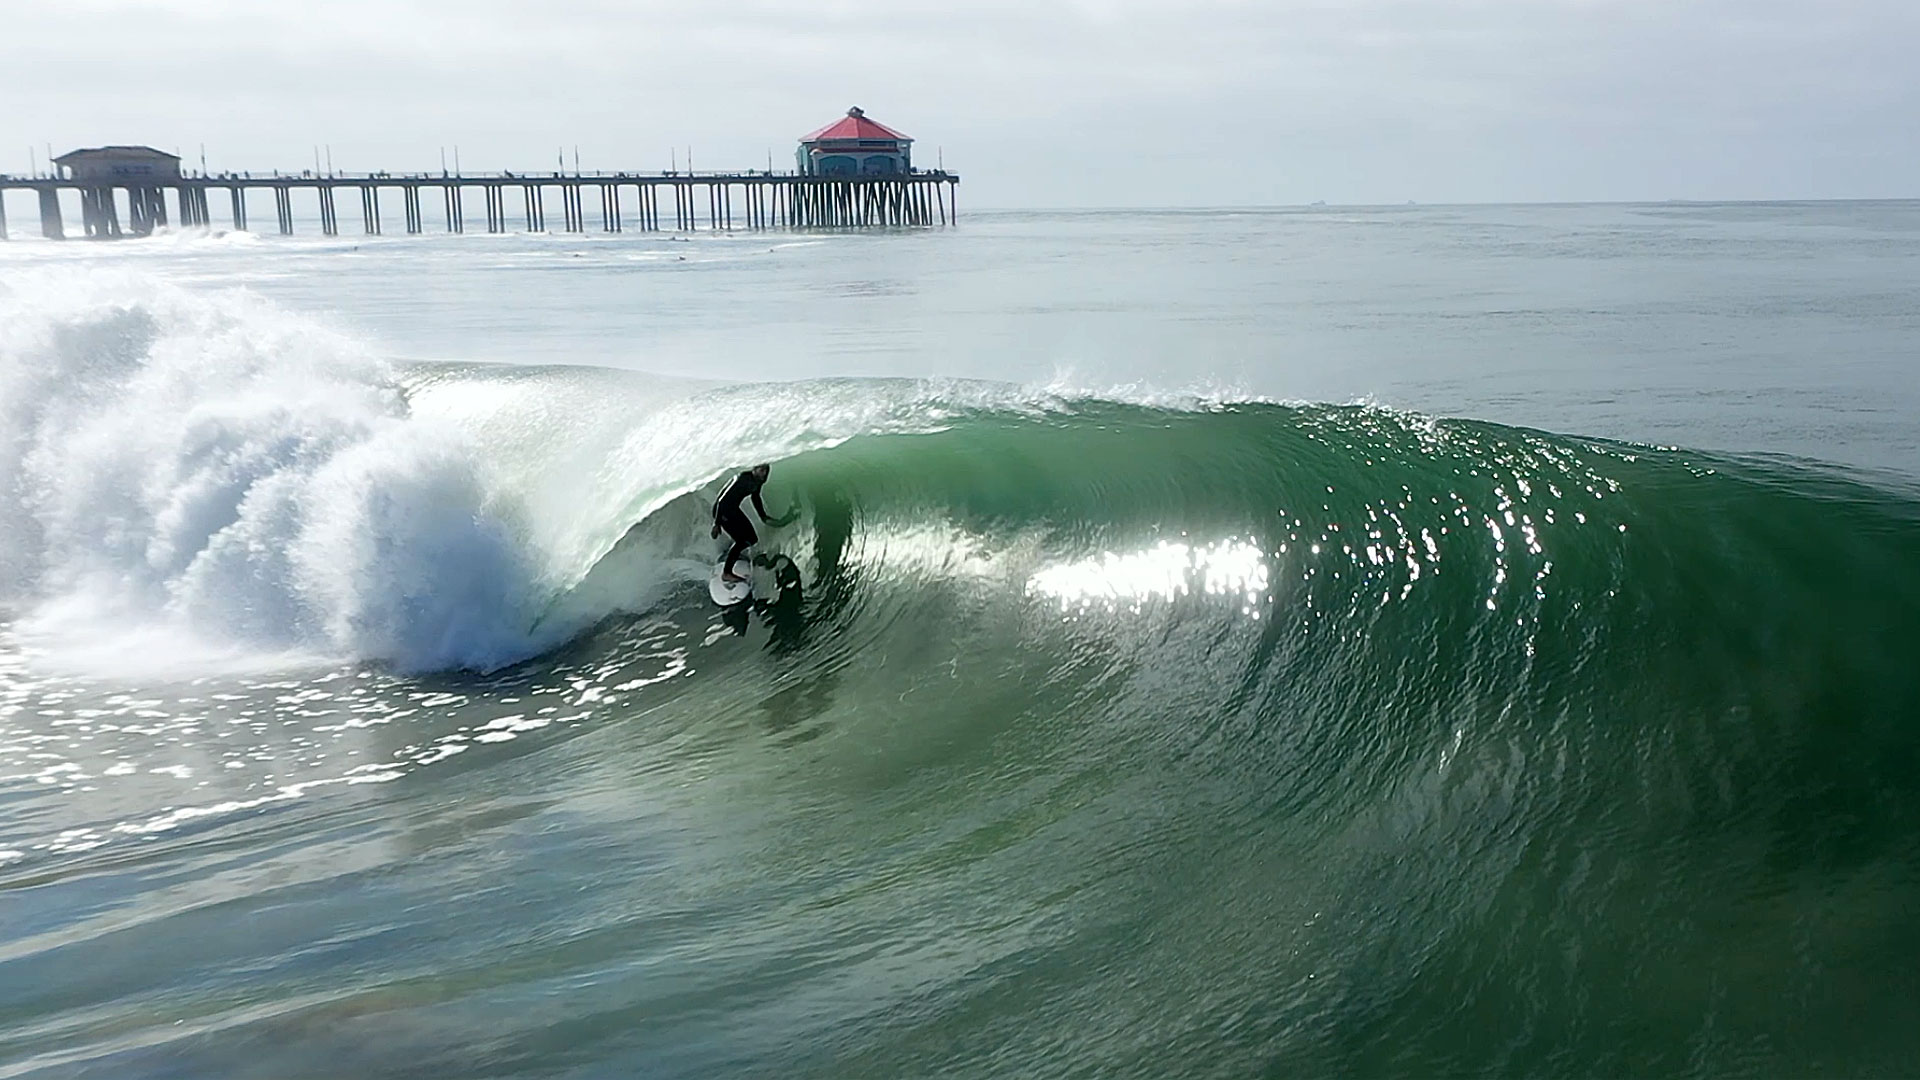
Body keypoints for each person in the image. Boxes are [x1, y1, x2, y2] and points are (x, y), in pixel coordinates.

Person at [711, 463, 775, 584]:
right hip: (723, 511)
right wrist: (717, 523)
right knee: (742, 540)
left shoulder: (757, 481)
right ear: (754, 469)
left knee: (752, 539)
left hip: (733, 511)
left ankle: (733, 551)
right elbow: (721, 500)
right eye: (762, 470)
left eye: (766, 470)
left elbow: (755, 498)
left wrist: (763, 516)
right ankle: (727, 573)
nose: (765, 473)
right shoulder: (742, 479)